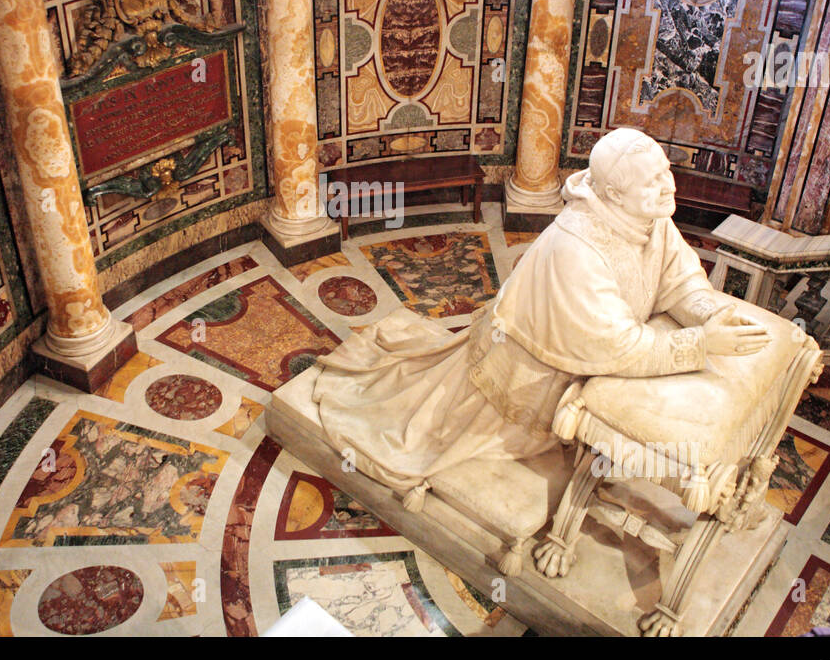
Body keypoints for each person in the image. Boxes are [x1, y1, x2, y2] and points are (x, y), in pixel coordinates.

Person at [311, 127, 770, 505]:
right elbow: (613, 345)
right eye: (653, 181)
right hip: (530, 374)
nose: (670, 186)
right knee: (439, 438)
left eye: (665, 172)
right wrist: (700, 346)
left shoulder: (648, 216)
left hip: (585, 352)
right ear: (612, 192)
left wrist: (707, 313)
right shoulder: (577, 247)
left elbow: (679, 279)